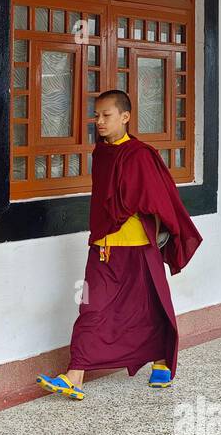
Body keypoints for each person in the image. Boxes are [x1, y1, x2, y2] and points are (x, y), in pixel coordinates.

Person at [37, 89, 202, 400]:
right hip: (102, 246)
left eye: (106, 115)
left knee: (150, 307)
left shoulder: (140, 154)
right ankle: (75, 376)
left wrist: (135, 207)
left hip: (138, 248)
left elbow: (160, 200)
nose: (98, 121)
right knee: (91, 308)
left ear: (125, 117)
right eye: (96, 115)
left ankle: (162, 361)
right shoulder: (102, 154)